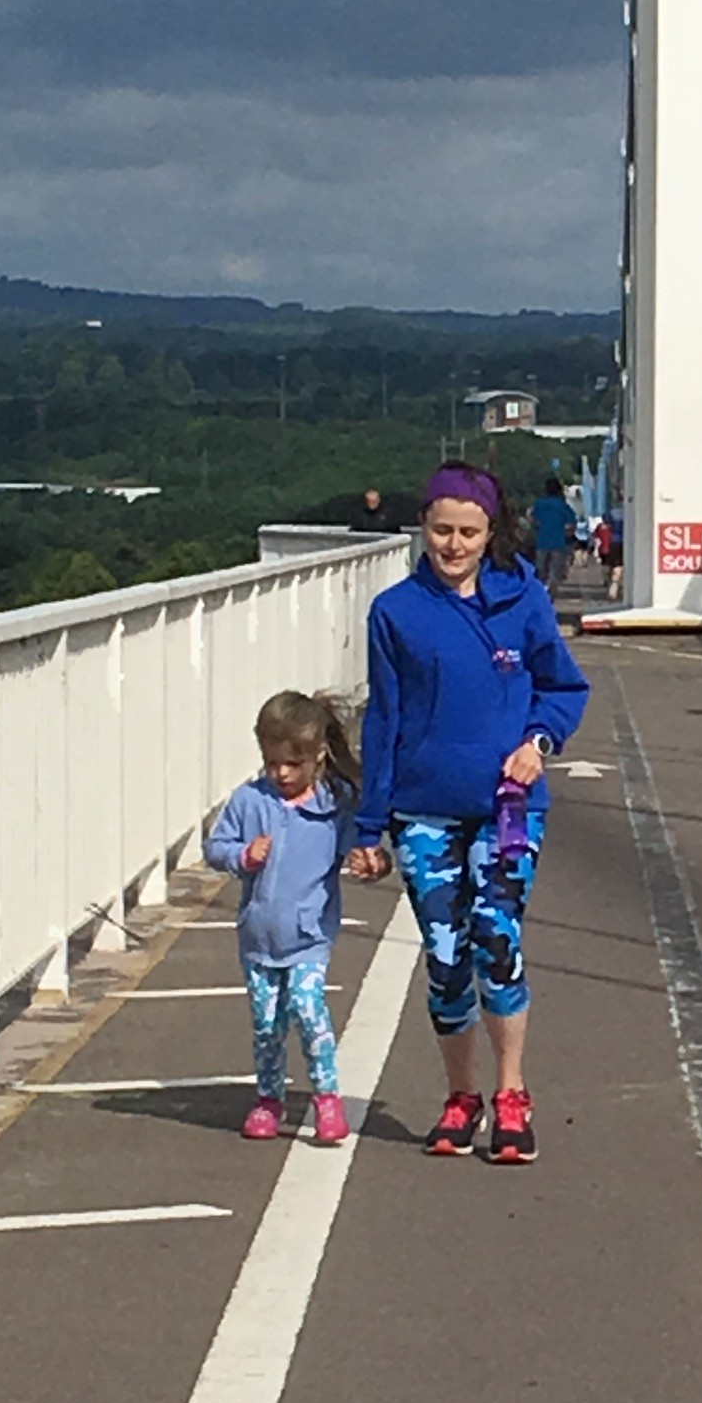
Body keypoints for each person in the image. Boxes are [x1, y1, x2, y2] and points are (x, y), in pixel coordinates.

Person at [347, 463, 590, 1165]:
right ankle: (461, 1096)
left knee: (496, 938)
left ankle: (512, 1094)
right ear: (422, 528)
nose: (453, 544)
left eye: (468, 532)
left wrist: (538, 743)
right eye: (441, 530)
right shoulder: (395, 612)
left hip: (508, 808)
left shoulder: (523, 602)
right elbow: (383, 720)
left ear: (491, 533)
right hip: (422, 808)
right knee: (447, 958)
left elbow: (563, 686)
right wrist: (369, 827)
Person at [204, 691, 360, 1145]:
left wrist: (369, 861)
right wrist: (242, 856)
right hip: (258, 937)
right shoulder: (250, 801)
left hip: (308, 935)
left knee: (309, 1011)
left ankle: (327, 1097)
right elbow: (215, 848)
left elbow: (358, 846)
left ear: (317, 756)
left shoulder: (334, 805)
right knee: (267, 1022)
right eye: (273, 764)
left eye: (293, 764)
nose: (282, 774)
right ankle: (269, 1097)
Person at [527, 470, 582, 596]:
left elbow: (531, 517)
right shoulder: (562, 505)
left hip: (542, 540)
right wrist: (568, 534)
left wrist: (537, 526)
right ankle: (551, 594)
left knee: (540, 571)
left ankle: (538, 594)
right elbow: (572, 522)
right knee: (554, 572)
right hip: (558, 541)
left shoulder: (539, 504)